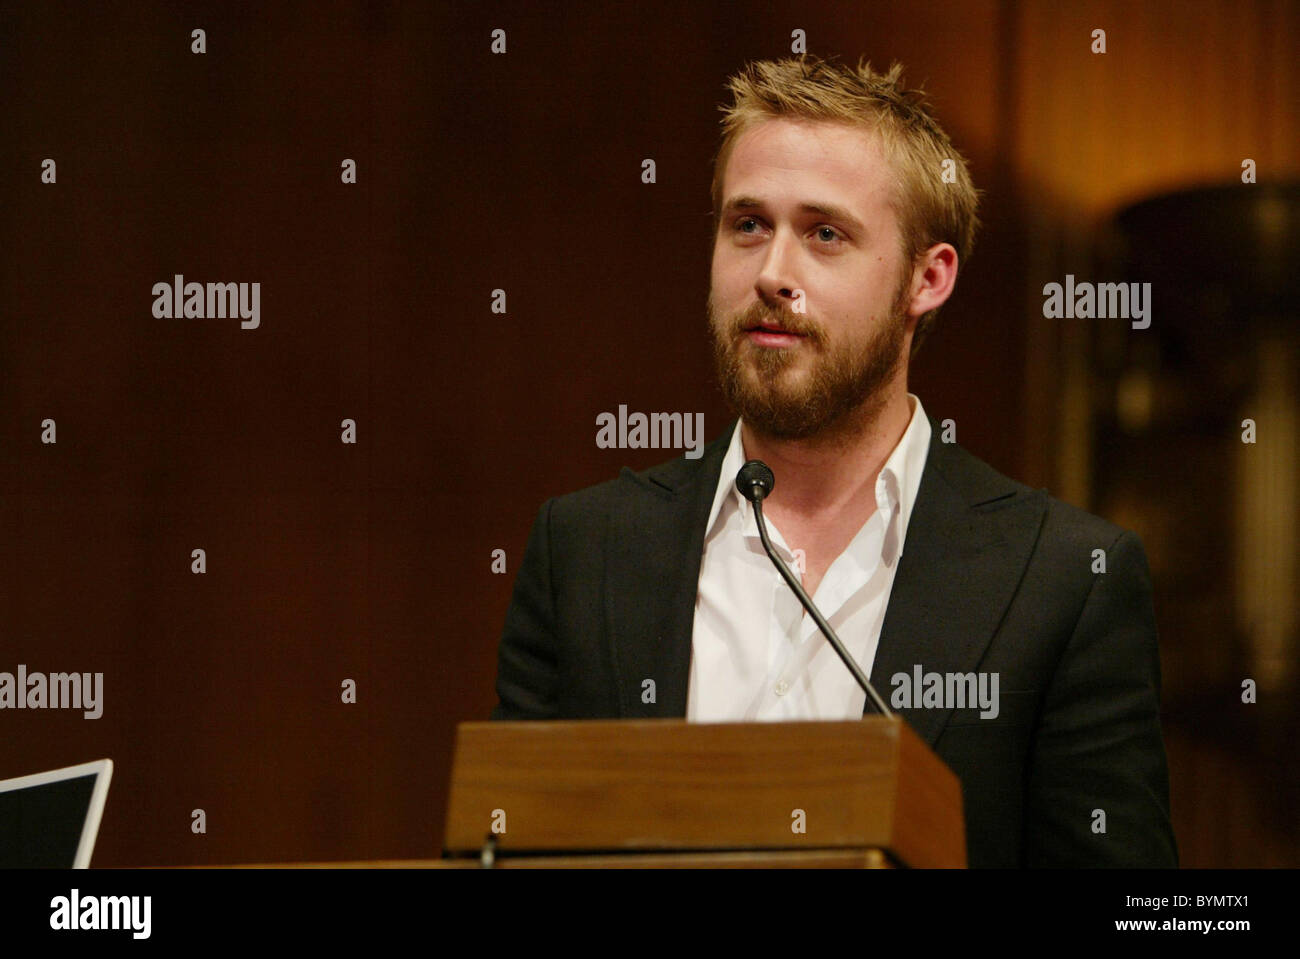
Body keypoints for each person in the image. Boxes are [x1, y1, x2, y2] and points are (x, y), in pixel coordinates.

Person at [490, 54, 1177, 868]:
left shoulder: (1064, 581)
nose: (773, 273)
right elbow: (502, 845)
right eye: (747, 224)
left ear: (928, 277)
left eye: (825, 233)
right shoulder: (586, 552)